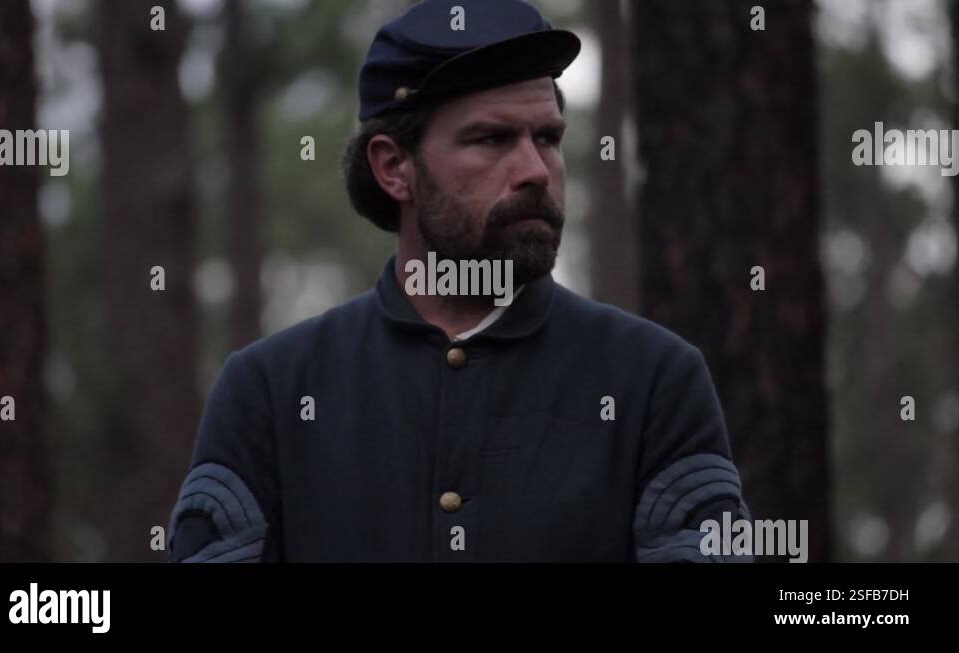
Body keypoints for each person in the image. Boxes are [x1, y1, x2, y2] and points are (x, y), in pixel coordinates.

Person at [168, 0, 751, 563]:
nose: (534, 172)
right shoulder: (269, 392)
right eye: (492, 139)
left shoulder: (653, 382)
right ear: (394, 168)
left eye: (547, 138)